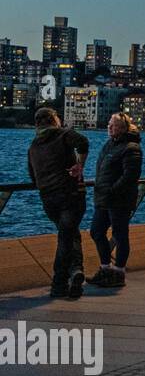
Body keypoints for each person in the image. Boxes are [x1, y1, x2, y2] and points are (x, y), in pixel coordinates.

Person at [26, 107, 89, 299]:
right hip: (70, 194)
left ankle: (76, 272)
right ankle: (59, 282)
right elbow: (83, 142)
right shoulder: (62, 135)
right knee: (66, 237)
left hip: (48, 198)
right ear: (54, 119)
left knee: (69, 234)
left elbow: (32, 176)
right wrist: (80, 165)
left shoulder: (33, 147)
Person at [88, 111, 142, 289]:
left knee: (120, 235)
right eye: (109, 124)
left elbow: (130, 176)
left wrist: (112, 190)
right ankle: (105, 268)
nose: (109, 127)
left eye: (114, 125)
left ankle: (118, 272)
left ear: (124, 127)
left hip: (119, 200)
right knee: (96, 231)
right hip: (104, 197)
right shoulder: (109, 145)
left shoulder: (131, 147)